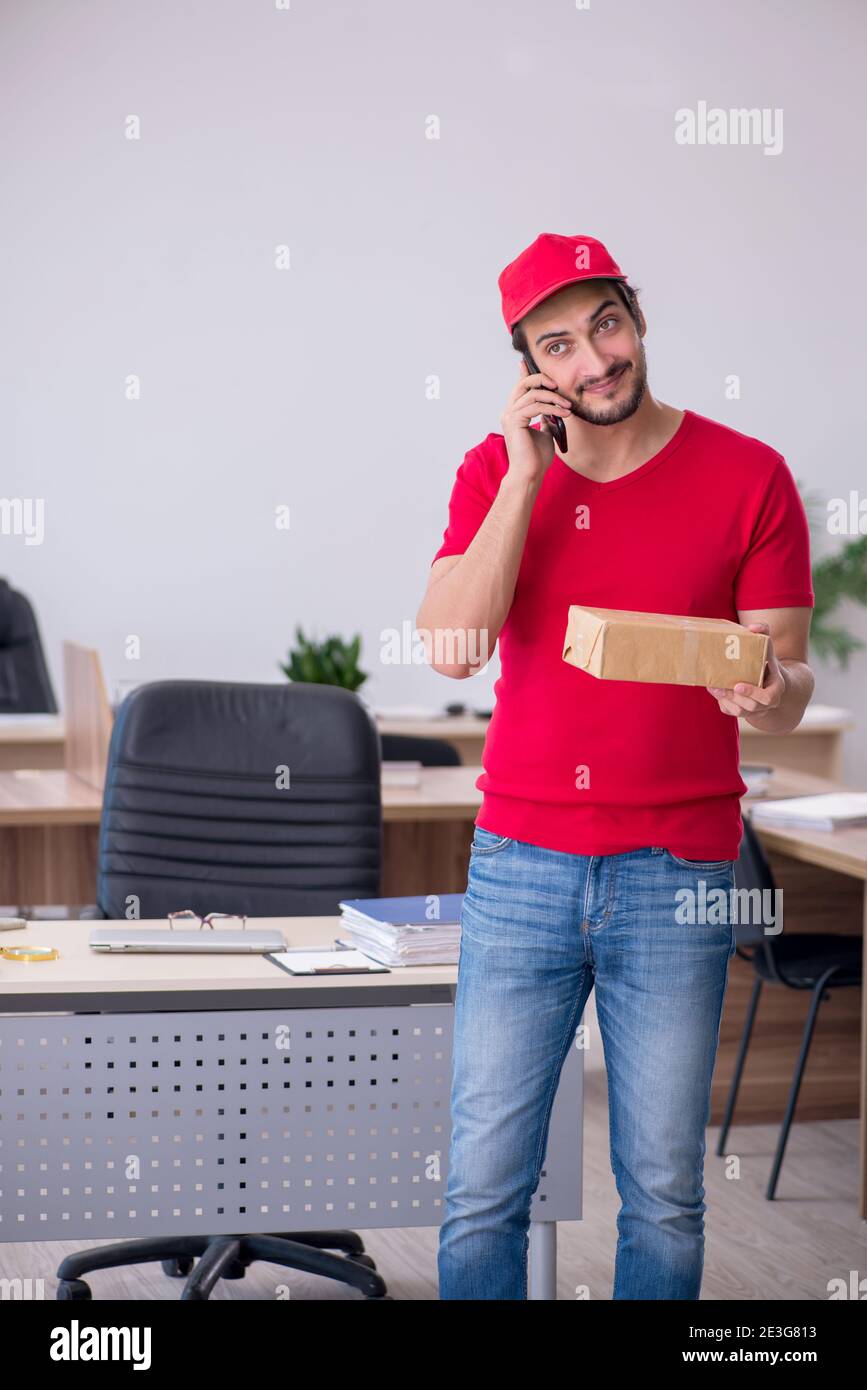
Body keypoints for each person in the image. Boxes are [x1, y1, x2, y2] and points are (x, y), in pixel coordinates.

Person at [415, 232, 815, 1300]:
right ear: (529, 369)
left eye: (607, 324)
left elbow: (791, 686)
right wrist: (524, 476)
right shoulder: (494, 473)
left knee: (665, 1189)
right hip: (523, 865)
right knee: (485, 1185)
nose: (596, 359)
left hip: (679, 872)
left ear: (636, 319)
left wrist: (771, 691)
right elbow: (454, 644)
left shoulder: (748, 475)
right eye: (561, 344)